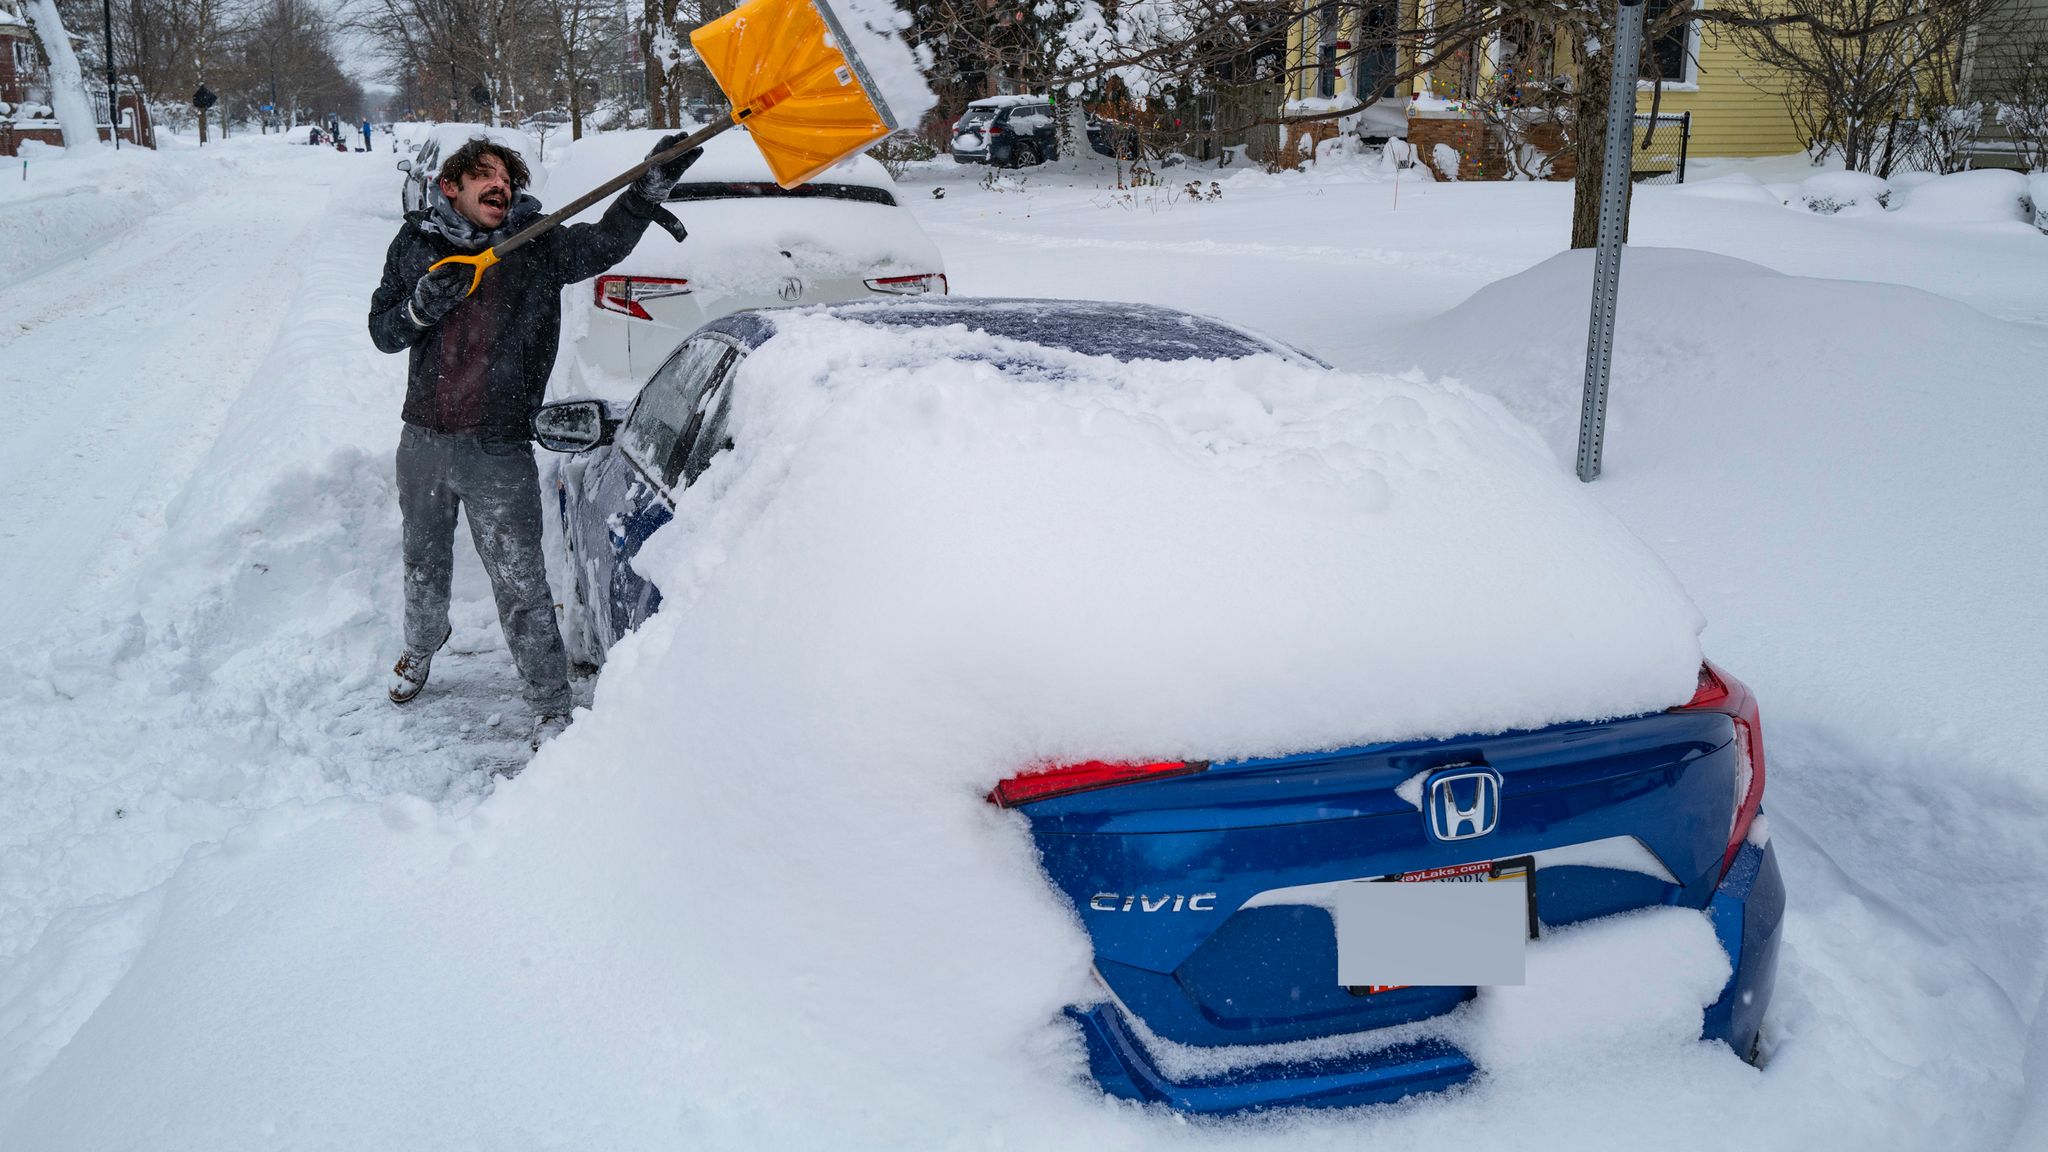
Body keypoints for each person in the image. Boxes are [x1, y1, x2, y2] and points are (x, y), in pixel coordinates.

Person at [368, 134, 699, 747]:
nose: (500, 185)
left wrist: (648, 189)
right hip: (424, 441)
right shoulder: (416, 245)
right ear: (450, 186)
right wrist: (418, 309)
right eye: (485, 175)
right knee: (423, 561)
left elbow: (603, 242)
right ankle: (422, 644)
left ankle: (549, 703)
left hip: (498, 447)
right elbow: (382, 331)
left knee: (520, 582)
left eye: (508, 179)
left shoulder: (535, 246)